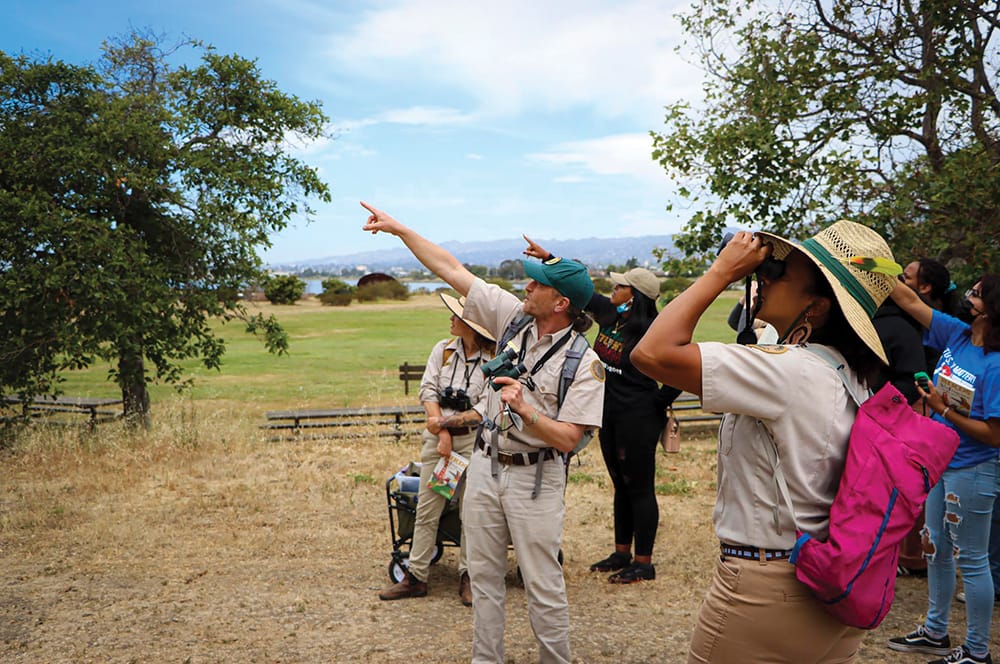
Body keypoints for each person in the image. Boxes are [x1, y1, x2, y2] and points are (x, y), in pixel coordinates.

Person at [631, 220, 900, 663]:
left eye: (782, 271)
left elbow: (651, 353)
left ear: (816, 306)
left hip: (766, 590)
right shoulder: (846, 372)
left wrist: (722, 272)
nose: (766, 276)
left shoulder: (788, 371)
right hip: (829, 585)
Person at [360, 201, 605, 664]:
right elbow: (452, 268)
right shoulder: (512, 319)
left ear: (561, 303)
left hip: (536, 478)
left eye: (538, 283)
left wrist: (526, 411)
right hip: (486, 466)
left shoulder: (585, 364)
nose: (526, 285)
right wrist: (399, 230)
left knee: (543, 585)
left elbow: (570, 439)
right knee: (485, 579)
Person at [523, 237, 680, 583]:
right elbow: (580, 290)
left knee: (640, 487)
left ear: (634, 296)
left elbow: (679, 370)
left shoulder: (654, 331)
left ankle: (643, 562)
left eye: (620, 287)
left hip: (638, 418)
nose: (613, 289)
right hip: (609, 414)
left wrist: (657, 401)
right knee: (620, 484)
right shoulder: (610, 315)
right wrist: (551, 259)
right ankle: (621, 552)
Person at [886, 275, 1000, 664]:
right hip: (941, 461)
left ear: (992, 309)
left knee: (972, 559)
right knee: (934, 546)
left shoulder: (996, 365)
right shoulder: (959, 335)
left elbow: (994, 436)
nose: (967, 298)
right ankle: (935, 632)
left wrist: (943, 410)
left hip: (974, 469)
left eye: (976, 295)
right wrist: (872, 264)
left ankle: (977, 651)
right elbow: (909, 300)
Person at [378, 293, 494, 606]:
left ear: (472, 324)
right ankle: (416, 576)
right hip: (440, 441)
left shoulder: (493, 360)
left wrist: (445, 423)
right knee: (428, 508)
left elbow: (484, 409)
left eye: (457, 314)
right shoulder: (442, 351)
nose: (451, 318)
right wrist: (442, 431)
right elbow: (428, 391)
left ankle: (469, 576)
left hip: (474, 441)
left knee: (472, 511)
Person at [895, 257, 957, 576]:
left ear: (926, 287)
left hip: (926, 411)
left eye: (906, 277)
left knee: (915, 485)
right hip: (923, 411)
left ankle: (914, 557)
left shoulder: (941, 327)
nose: (900, 280)